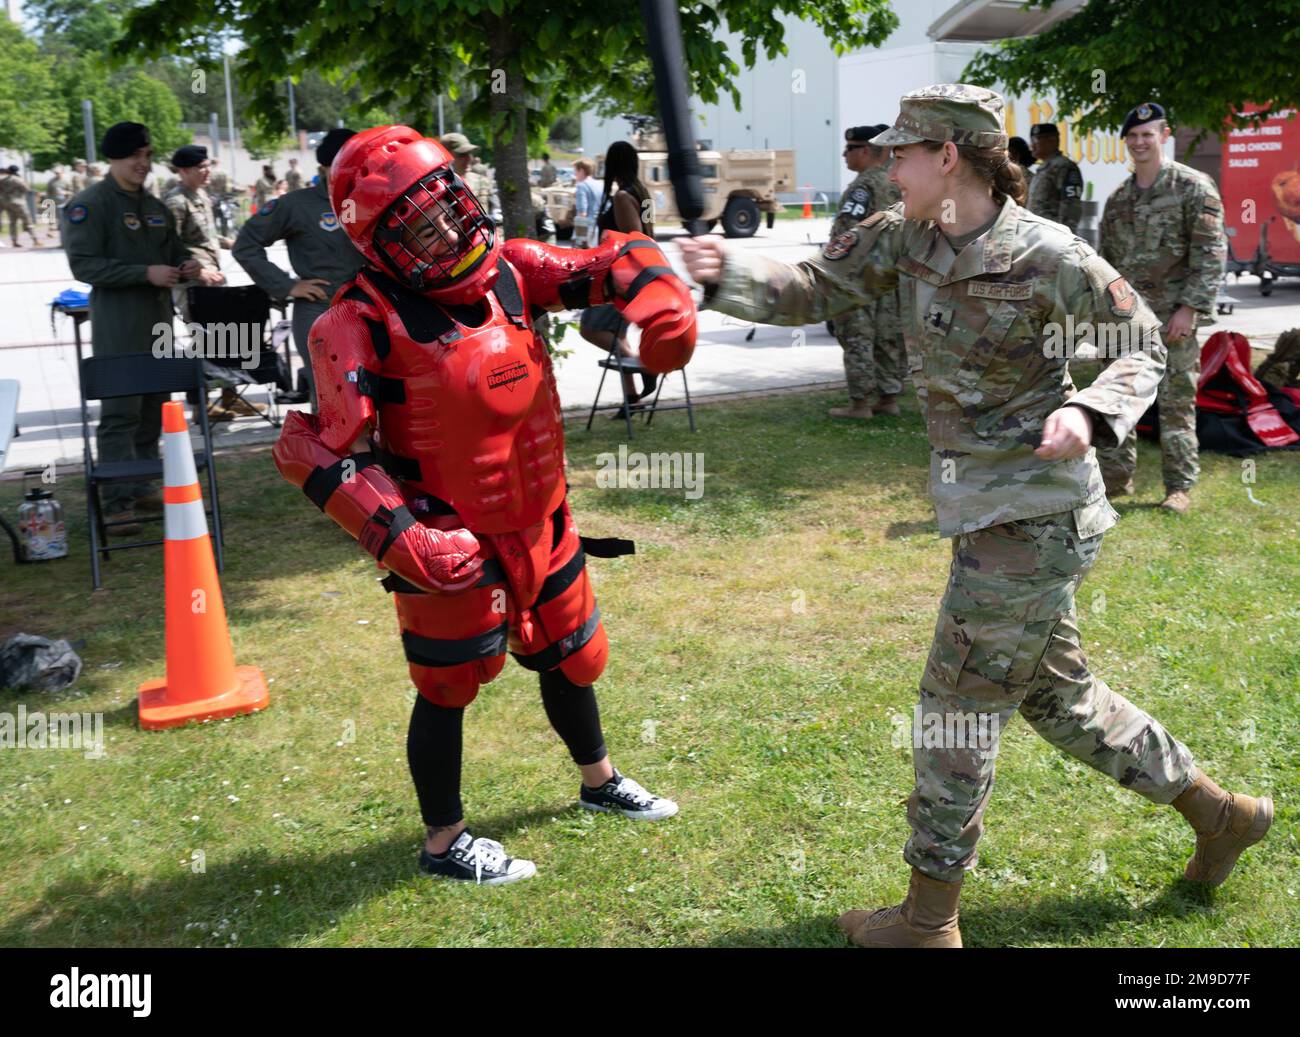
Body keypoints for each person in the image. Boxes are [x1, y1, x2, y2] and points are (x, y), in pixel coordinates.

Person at [679, 84, 1271, 948]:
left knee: (953, 706)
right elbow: (813, 286)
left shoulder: (1049, 253)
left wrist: (1093, 413)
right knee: (1060, 700)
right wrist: (721, 272)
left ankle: (927, 922)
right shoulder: (903, 236)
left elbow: (1142, 343)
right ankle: (1221, 815)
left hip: (1034, 518)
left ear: (947, 156)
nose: (888, 167)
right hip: (981, 506)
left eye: (900, 154)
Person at [270, 125, 697, 884]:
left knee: (573, 655)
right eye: (417, 220)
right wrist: (399, 535)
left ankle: (599, 782)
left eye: (445, 205)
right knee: (447, 686)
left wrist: (662, 305)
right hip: (445, 532)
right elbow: (314, 448)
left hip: (544, 516)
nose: (443, 227)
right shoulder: (356, 321)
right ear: (380, 240)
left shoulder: (510, 270)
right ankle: (444, 842)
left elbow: (617, 259)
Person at [62, 122, 200, 535]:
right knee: (121, 411)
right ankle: (117, 502)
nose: (142, 164)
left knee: (154, 406)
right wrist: (145, 273)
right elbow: (84, 265)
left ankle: (141, 486)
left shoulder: (155, 207)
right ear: (112, 159)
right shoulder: (90, 204)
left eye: (146, 155)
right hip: (118, 323)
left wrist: (188, 265)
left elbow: (174, 252)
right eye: (133, 156)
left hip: (158, 322)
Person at [1098, 102, 1226, 513]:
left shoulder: (1193, 187)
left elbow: (1211, 254)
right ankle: (1116, 481)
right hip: (1127, 322)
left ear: (1164, 135)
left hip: (1173, 319)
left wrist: (1190, 309)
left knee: (1175, 403)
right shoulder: (1118, 199)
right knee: (1117, 401)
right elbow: (1106, 264)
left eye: (1147, 134)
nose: (1139, 142)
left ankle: (1179, 487)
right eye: (1132, 136)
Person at [233, 128, 368, 411]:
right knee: (333, 399)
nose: (354, 171)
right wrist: (287, 286)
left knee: (375, 395)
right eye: (345, 163)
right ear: (324, 166)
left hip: (368, 309)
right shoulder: (297, 205)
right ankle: (334, 456)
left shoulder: (370, 199)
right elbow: (245, 245)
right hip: (320, 311)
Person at [164, 144, 258, 423]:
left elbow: (206, 236)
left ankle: (230, 398)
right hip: (191, 284)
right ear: (183, 171)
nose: (207, 172)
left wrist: (232, 243)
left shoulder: (201, 195)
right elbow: (168, 248)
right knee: (202, 342)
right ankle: (200, 406)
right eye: (201, 167)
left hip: (212, 278)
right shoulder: (175, 202)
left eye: (208, 166)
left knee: (224, 338)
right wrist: (198, 271)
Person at [826, 124, 905, 420]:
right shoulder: (894, 181)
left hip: (860, 275)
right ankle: (889, 397)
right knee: (886, 334)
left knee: (857, 335)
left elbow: (846, 233)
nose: (845, 155)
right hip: (890, 272)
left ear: (865, 151)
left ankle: (859, 404)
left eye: (850, 149)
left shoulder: (862, 187)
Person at [580, 139, 655, 415]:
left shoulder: (624, 196)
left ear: (613, 165)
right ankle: (632, 398)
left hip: (621, 278)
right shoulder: (642, 191)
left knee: (590, 329)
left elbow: (633, 240)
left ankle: (645, 366)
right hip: (638, 276)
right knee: (616, 336)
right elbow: (649, 235)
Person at [1027, 122, 1083, 233]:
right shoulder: (1044, 168)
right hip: (1038, 235)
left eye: (1036, 140)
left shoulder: (1065, 167)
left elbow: (1071, 208)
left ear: (1052, 140)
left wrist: (1065, 236)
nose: (1032, 146)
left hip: (1054, 238)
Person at [438, 133, 496, 219]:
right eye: (462, 155)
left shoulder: (482, 182)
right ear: (444, 156)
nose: (469, 159)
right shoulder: (435, 187)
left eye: (469, 153)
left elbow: (493, 215)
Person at [0, 166, 41, 248]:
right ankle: (35, 240)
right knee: (27, 221)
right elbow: (27, 189)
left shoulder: (2, 180)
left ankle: (14, 241)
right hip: (19, 203)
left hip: (7, 203)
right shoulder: (17, 179)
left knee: (12, 222)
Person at [572, 156, 603, 247]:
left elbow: (582, 213)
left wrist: (578, 239)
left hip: (586, 230)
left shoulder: (581, 186)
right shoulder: (600, 184)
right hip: (598, 227)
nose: (575, 174)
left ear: (581, 170)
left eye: (575, 171)